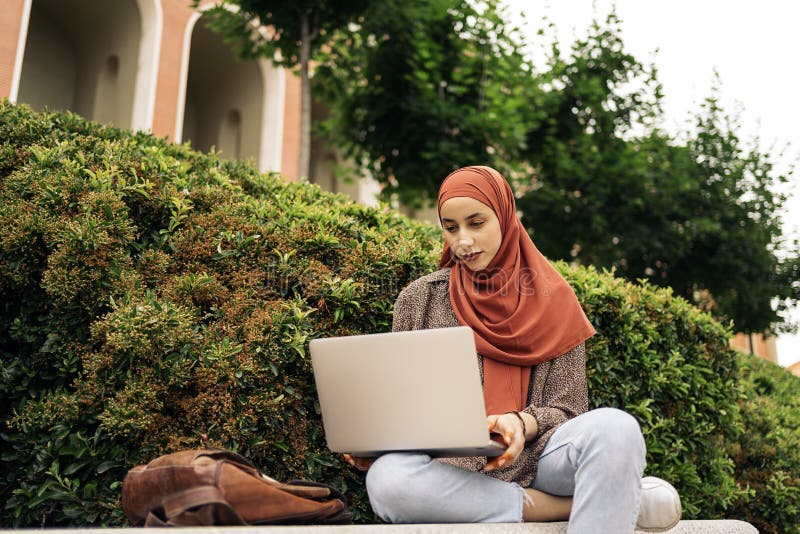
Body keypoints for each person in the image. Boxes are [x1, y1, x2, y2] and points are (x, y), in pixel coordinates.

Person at [344, 166, 682, 533]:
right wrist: (376, 439)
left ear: (505, 217)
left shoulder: (554, 299)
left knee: (617, 429)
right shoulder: (420, 300)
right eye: (451, 227)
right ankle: (570, 507)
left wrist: (521, 423)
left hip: (539, 460)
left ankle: (579, 497)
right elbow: (405, 406)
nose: (463, 241)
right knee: (388, 480)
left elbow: (569, 409)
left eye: (476, 223)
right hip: (452, 471)